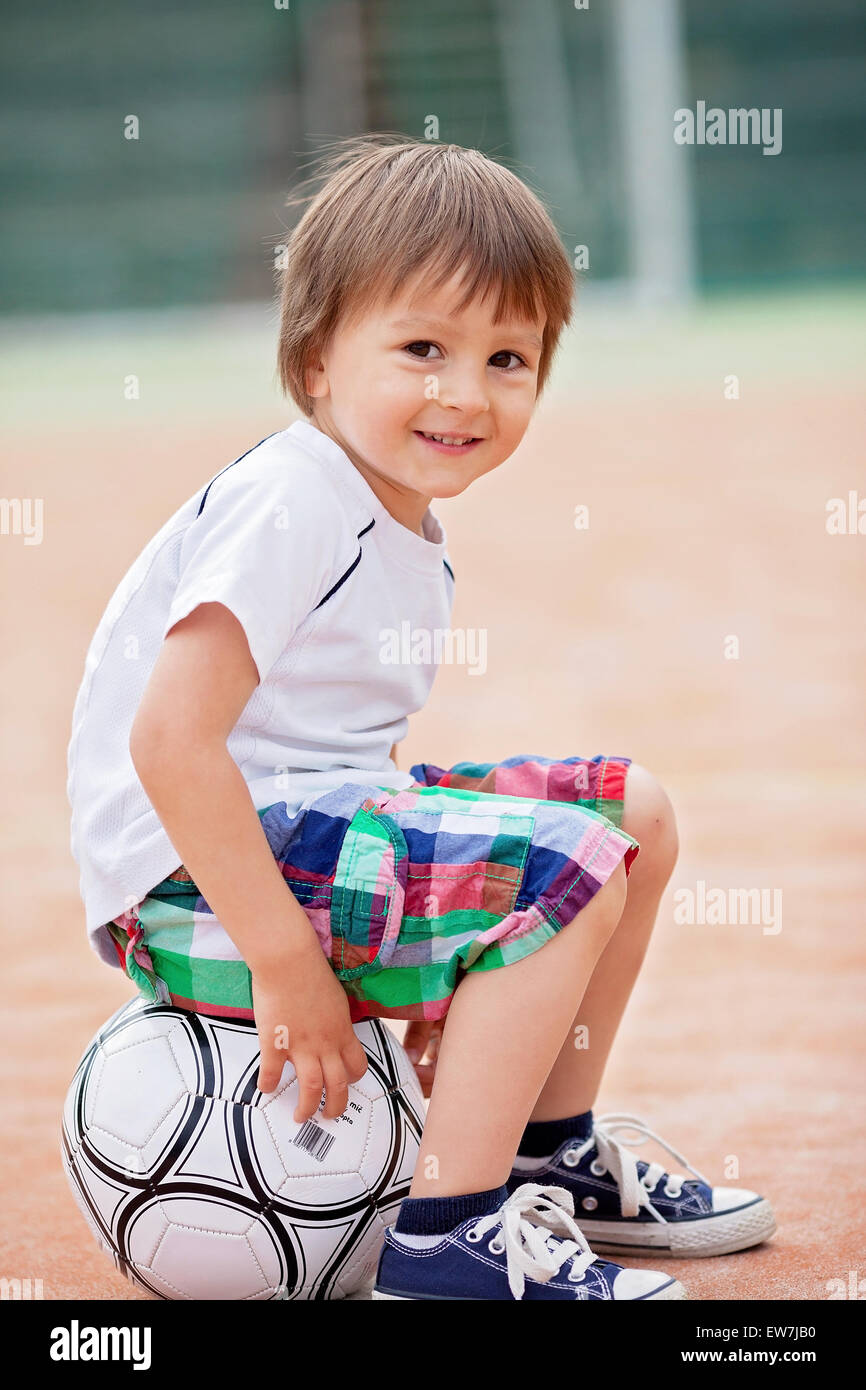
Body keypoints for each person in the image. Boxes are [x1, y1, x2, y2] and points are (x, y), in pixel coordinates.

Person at [66, 135, 775, 1301]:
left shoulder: (394, 522)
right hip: (189, 881)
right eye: (420, 349)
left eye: (507, 356)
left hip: (301, 825)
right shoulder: (295, 501)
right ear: (314, 365)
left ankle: (551, 1153)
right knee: (567, 867)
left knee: (627, 811)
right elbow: (169, 741)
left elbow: (334, 752)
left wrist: (453, 948)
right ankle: (446, 1244)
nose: (463, 391)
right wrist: (289, 961)